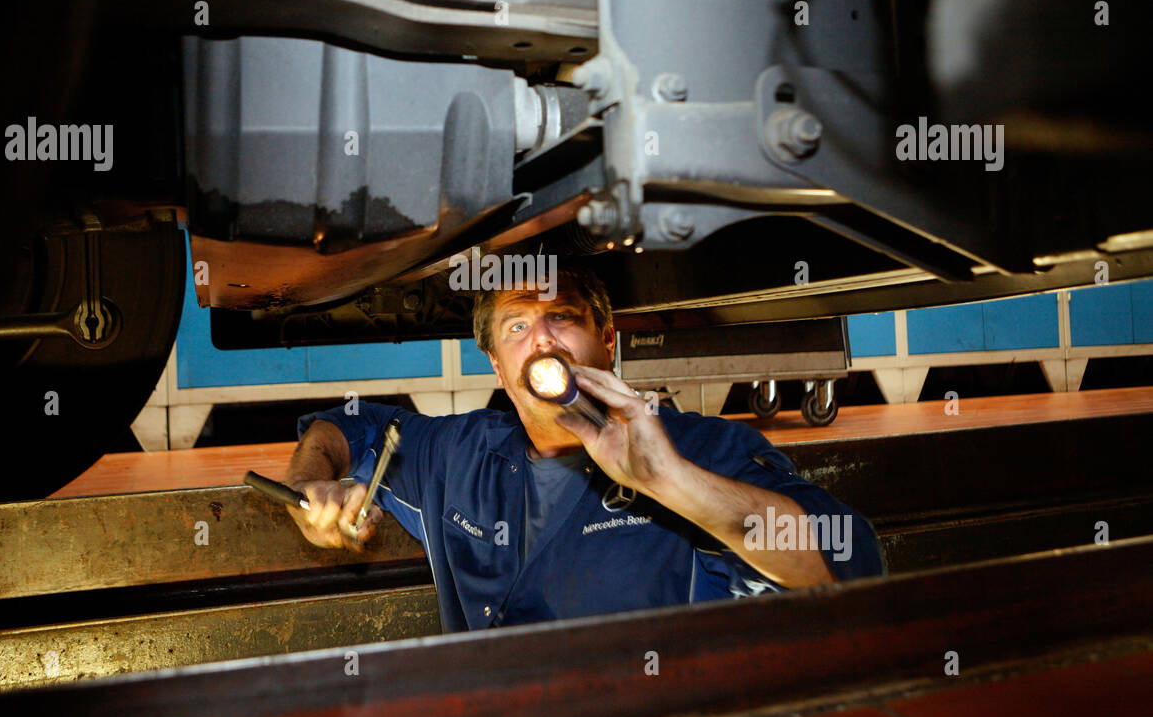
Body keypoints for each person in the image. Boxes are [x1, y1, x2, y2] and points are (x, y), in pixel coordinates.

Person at [284, 265, 884, 632]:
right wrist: (312, 486)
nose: (542, 338)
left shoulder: (702, 449)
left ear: (607, 338)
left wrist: (670, 481)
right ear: (497, 364)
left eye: (562, 317)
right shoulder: (459, 452)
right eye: (517, 326)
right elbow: (347, 426)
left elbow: (850, 561)